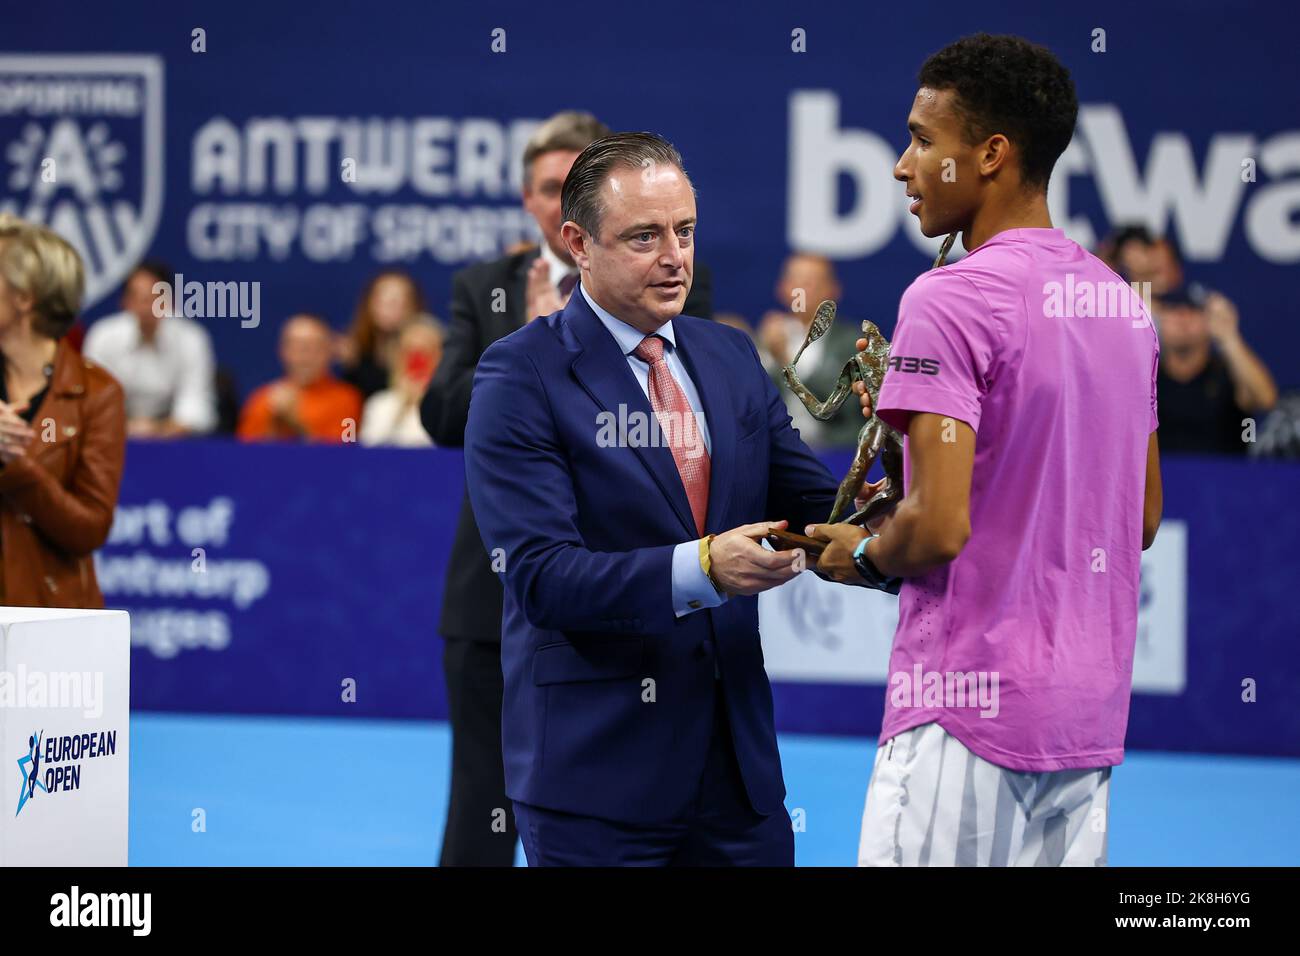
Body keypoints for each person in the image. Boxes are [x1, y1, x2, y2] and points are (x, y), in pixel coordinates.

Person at [806, 34, 1164, 867]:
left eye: (922, 140)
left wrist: (862, 554)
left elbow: (936, 529)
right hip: (1084, 726)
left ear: (991, 155)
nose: (902, 166)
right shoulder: (1122, 305)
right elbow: (1140, 518)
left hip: (958, 718)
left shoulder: (947, 298)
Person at [465, 132, 841, 867]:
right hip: (595, 782)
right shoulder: (519, 375)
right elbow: (540, 575)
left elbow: (819, 504)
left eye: (685, 231)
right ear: (578, 243)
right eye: (645, 237)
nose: (675, 257)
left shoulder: (729, 355)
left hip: (740, 782)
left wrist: (904, 489)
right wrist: (704, 568)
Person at [419, 110, 714, 867]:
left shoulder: (677, 283)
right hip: (493, 593)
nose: (563, 201)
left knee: (627, 815)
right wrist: (535, 350)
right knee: (481, 809)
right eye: (551, 187)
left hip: (635, 592)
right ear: (530, 199)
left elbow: (696, 418)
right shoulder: (486, 288)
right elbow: (440, 415)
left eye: (578, 182)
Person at [0, 214, 126, 607]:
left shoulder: (96, 393)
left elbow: (89, 530)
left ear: (25, 297)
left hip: (48, 618)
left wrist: (15, 464)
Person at [82, 259, 218, 437]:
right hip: (114, 435)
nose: (146, 307)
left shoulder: (191, 339)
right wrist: (126, 428)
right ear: (125, 301)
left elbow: (195, 403)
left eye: (154, 298)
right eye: (138, 298)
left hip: (173, 440)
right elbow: (93, 403)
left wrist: (160, 430)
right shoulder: (103, 337)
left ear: (169, 301)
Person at [757, 253, 864, 448]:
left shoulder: (852, 342)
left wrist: (786, 362)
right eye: (796, 281)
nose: (802, 290)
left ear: (833, 290)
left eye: (811, 282)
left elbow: (841, 407)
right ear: (782, 288)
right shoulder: (769, 336)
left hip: (835, 451)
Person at [1153, 286, 1277, 455]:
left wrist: (1229, 338)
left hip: (1225, 471)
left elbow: (1265, 400)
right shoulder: (1147, 376)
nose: (1183, 319)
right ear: (1158, 320)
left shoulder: (1229, 373)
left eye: (1193, 311)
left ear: (1210, 321)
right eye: (1173, 310)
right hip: (1159, 472)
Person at [237, 314, 363, 443]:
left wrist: (297, 425)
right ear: (283, 351)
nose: (305, 356)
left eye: (314, 347)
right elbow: (244, 452)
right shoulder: (262, 401)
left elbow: (344, 452)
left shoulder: (347, 400)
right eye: (297, 346)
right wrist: (274, 425)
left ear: (329, 351)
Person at [339, 270, 429, 399]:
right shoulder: (354, 355)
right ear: (369, 304)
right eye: (383, 300)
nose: (390, 307)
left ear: (414, 306)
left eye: (399, 301)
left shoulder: (428, 351)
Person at [359, 317, 443, 447]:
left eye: (427, 351)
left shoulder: (450, 409)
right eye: (409, 352)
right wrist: (403, 405)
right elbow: (371, 450)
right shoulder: (378, 404)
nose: (417, 361)